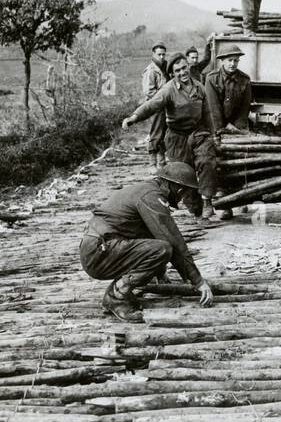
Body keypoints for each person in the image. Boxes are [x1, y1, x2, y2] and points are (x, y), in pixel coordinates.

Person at [79, 162, 214, 322]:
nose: (183, 199)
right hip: (99, 253)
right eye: (184, 194)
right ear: (179, 189)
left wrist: (159, 272)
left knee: (158, 244)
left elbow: (150, 234)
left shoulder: (149, 189)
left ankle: (122, 292)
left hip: (99, 247)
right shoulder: (151, 197)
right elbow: (172, 239)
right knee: (163, 249)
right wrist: (198, 281)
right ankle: (116, 297)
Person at [122, 53, 218, 219]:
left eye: (184, 68)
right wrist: (133, 118)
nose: (182, 73)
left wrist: (213, 134)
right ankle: (196, 208)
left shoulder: (199, 87)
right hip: (176, 136)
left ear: (189, 67)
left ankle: (207, 200)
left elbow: (208, 113)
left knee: (206, 160)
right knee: (183, 173)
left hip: (198, 132)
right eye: (178, 70)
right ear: (173, 73)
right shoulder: (168, 89)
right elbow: (151, 106)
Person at [205, 45, 253, 217]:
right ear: (222, 61)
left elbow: (244, 109)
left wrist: (237, 131)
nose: (233, 64)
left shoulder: (244, 80)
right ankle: (223, 202)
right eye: (229, 60)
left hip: (236, 129)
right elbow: (213, 109)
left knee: (239, 160)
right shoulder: (211, 79)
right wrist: (221, 131)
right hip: (216, 128)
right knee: (219, 161)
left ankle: (239, 198)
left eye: (236, 60)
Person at [140, 43, 170, 172]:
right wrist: (161, 99)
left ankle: (162, 162)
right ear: (153, 54)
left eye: (163, 54)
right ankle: (152, 164)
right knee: (155, 133)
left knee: (164, 134)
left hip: (165, 106)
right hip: (155, 106)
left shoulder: (164, 68)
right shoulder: (151, 70)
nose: (162, 57)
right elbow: (148, 91)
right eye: (159, 54)